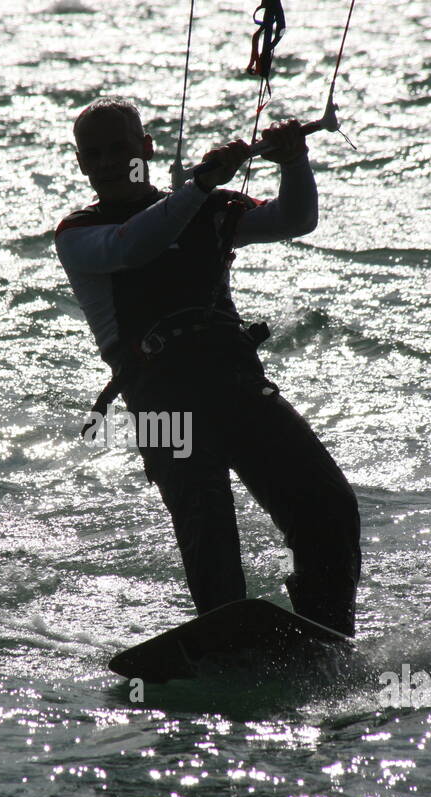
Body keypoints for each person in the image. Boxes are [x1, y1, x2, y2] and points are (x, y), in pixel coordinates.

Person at [53, 96, 361, 635]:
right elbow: (134, 245)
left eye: (119, 149)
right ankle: (226, 638)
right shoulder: (79, 233)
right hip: (163, 406)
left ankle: (326, 632)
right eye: (93, 154)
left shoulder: (211, 210)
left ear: (145, 150)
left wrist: (293, 160)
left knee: (330, 510)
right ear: (80, 164)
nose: (106, 163)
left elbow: (296, 218)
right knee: (209, 528)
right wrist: (198, 187)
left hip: (237, 385)